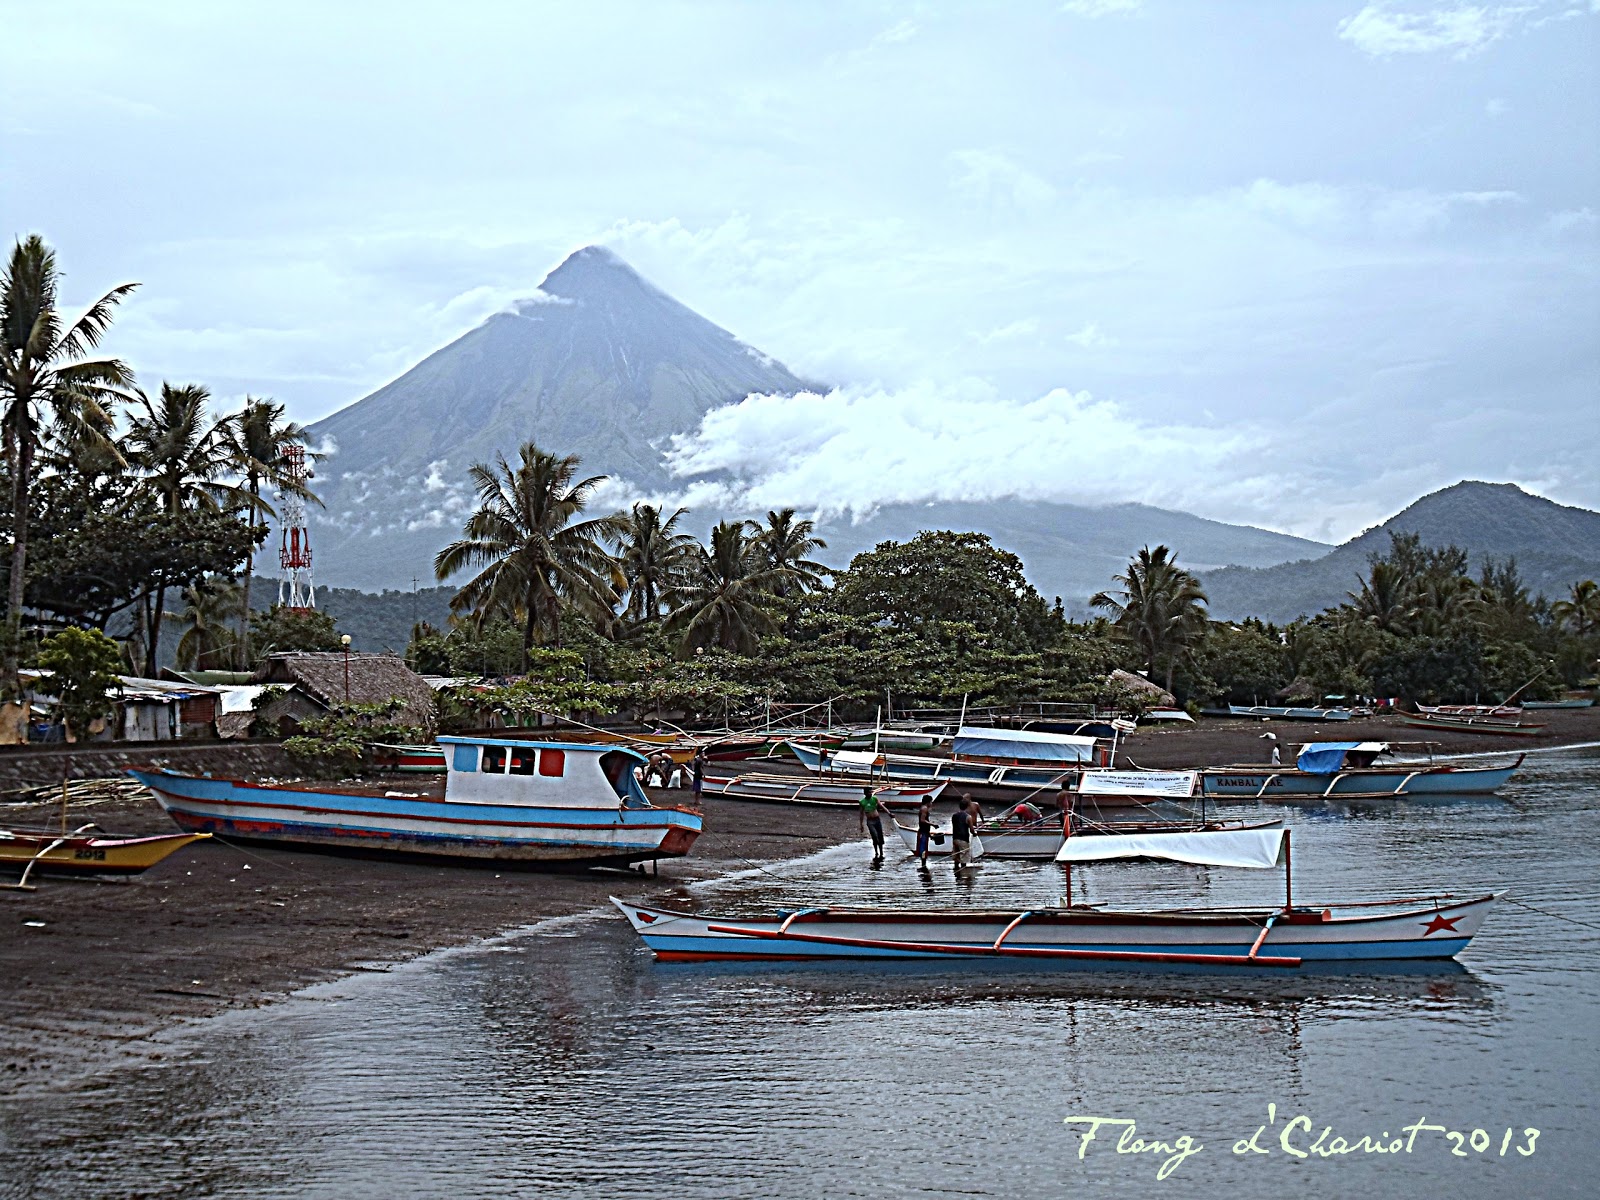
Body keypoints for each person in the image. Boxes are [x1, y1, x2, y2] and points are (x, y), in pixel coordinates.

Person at [859, 785, 887, 864]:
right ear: (865, 793)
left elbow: (882, 806)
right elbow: (861, 814)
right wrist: (861, 825)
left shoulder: (874, 799)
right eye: (869, 792)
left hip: (877, 820)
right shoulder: (862, 802)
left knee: (880, 836)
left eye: (871, 792)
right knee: (874, 836)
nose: (870, 793)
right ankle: (876, 852)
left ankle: (881, 852)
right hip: (870, 821)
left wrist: (889, 813)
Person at [950, 793, 973, 870]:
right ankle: (963, 873)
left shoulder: (954, 815)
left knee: (956, 858)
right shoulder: (968, 817)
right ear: (967, 807)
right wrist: (975, 834)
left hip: (955, 838)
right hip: (963, 839)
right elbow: (972, 830)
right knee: (964, 858)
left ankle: (956, 873)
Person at [914, 797, 933, 867]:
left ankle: (923, 864)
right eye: (931, 802)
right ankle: (923, 864)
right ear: (928, 802)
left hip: (924, 831)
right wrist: (932, 824)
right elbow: (922, 820)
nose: (931, 803)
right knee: (923, 849)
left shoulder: (923, 808)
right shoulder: (924, 809)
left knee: (923, 848)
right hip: (923, 831)